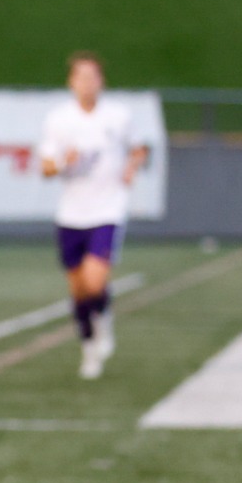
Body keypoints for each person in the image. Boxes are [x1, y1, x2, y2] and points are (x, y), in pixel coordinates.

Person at [37, 51, 147, 381]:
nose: (87, 83)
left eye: (93, 76)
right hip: (71, 214)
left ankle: (104, 321)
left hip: (106, 209)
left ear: (102, 81)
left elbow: (139, 148)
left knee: (95, 279)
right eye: (81, 77)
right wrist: (62, 163)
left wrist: (131, 167)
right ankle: (89, 346)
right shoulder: (59, 120)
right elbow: (46, 168)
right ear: (71, 82)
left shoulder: (118, 116)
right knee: (79, 289)